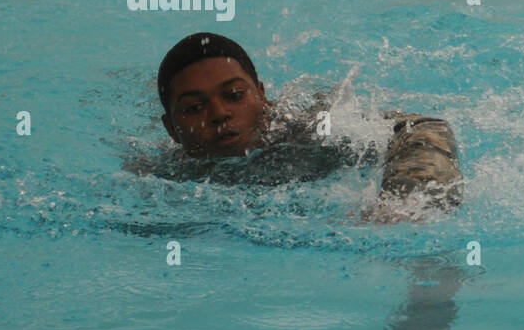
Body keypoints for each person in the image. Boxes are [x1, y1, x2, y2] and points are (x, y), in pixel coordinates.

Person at [151, 32, 462, 213]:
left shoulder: (310, 133)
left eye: (234, 95)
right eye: (194, 108)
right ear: (171, 130)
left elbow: (421, 127)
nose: (219, 114)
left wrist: (404, 202)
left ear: (262, 96)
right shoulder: (163, 180)